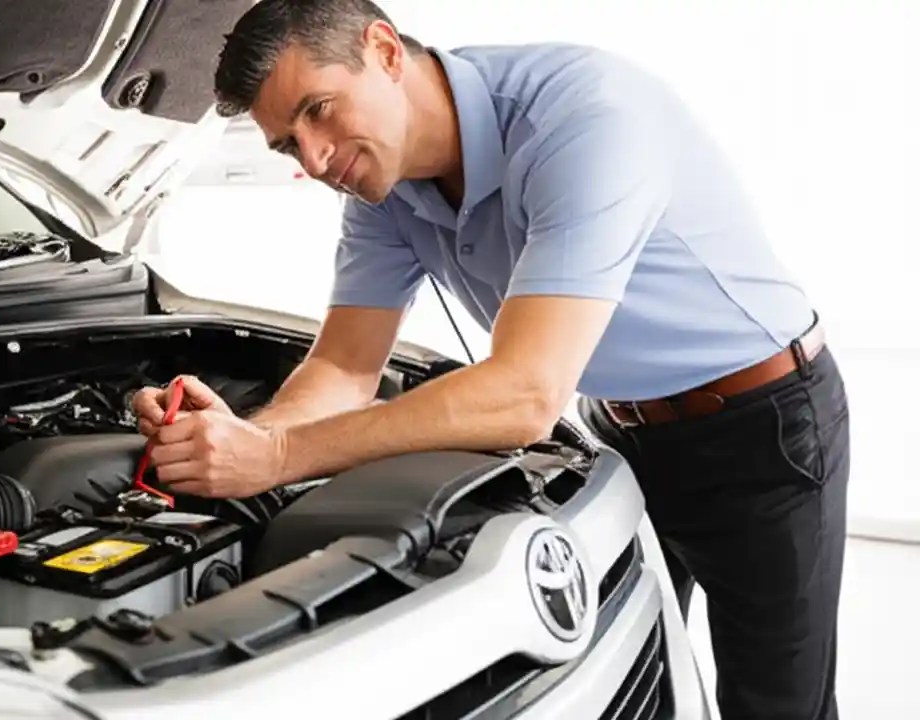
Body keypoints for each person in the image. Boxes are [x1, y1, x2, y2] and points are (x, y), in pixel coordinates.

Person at [131, 1, 850, 718]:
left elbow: (526, 396)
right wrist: (246, 438)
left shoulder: (584, 118)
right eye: (289, 144)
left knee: (775, 705)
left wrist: (280, 454)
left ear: (383, 50)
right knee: (644, 676)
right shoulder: (382, 189)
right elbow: (346, 368)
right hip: (622, 430)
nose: (315, 161)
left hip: (762, 431)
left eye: (318, 110)